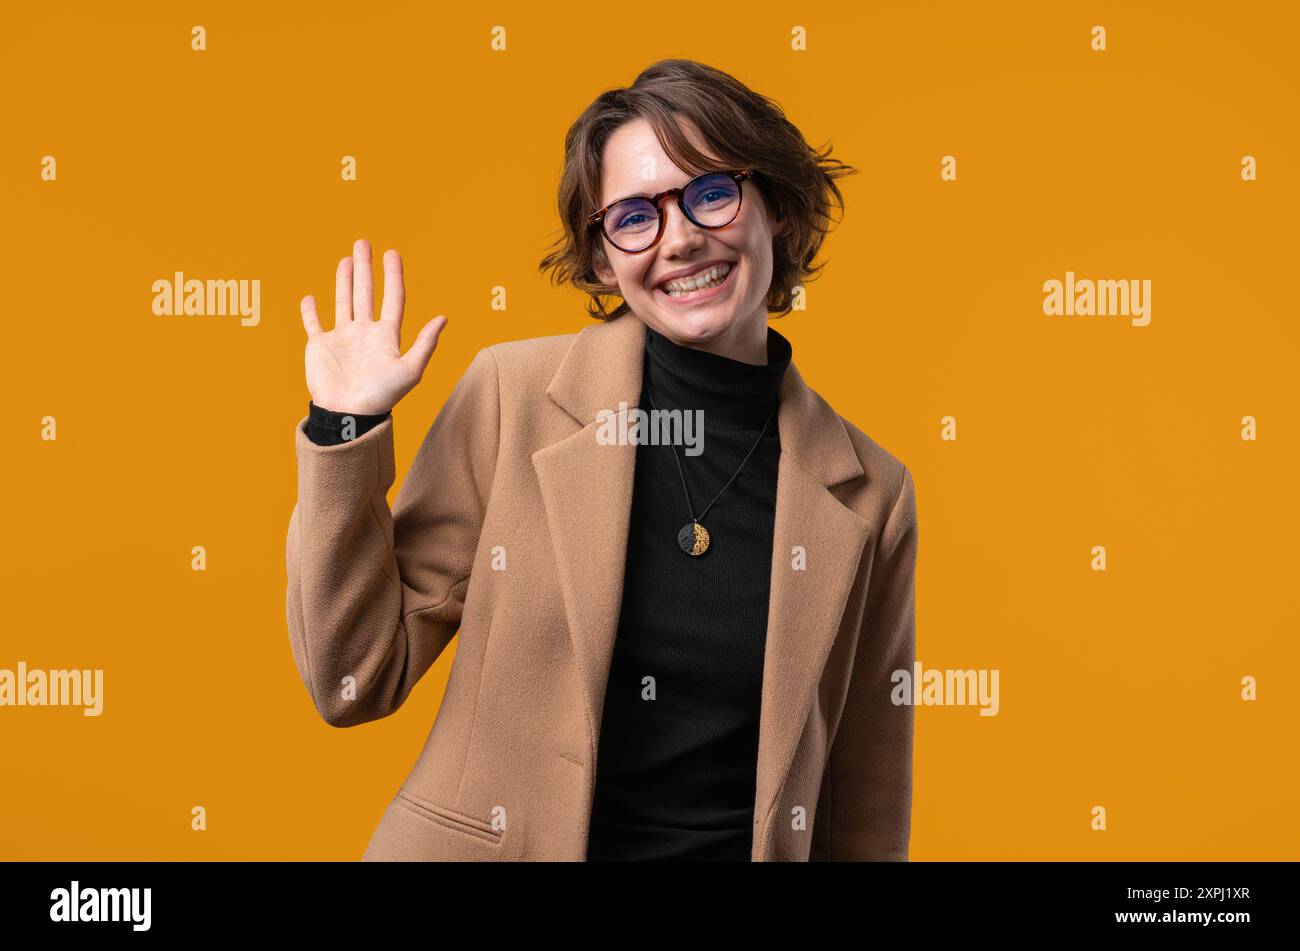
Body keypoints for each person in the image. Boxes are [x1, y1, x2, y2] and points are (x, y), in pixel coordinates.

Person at [286, 59, 917, 861]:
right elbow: (352, 677)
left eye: (711, 192)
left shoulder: (873, 493)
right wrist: (344, 425)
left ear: (777, 209)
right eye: (633, 216)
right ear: (601, 258)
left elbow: (865, 794)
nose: (681, 237)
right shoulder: (513, 399)